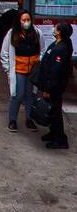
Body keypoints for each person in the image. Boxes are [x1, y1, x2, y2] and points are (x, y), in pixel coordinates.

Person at [34, 20, 73, 149]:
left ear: (60, 32)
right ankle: (53, 133)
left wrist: (48, 89)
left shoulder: (61, 49)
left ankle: (60, 139)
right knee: (52, 111)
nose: (53, 29)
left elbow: (55, 72)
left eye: (55, 28)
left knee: (55, 112)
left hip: (54, 87)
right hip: (50, 84)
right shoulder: (57, 43)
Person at [0, 9, 41, 131]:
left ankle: (29, 119)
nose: (26, 22)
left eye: (28, 20)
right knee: (17, 95)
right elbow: (5, 53)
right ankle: (13, 120)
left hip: (32, 71)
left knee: (31, 95)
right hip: (18, 70)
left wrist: (38, 64)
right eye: (24, 20)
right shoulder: (12, 34)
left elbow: (42, 50)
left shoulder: (37, 33)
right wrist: (7, 68)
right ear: (19, 21)